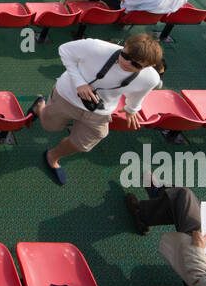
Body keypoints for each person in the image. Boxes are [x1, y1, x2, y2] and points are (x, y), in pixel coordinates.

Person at [33, 33, 164, 185]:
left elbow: (139, 94)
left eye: (136, 65)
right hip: (67, 96)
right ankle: (39, 106)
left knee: (84, 144)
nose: (127, 63)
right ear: (124, 46)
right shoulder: (96, 47)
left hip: (100, 110)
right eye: (125, 56)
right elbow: (64, 50)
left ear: (150, 66)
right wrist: (79, 82)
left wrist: (132, 109)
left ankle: (53, 157)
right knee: (49, 126)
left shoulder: (151, 78)